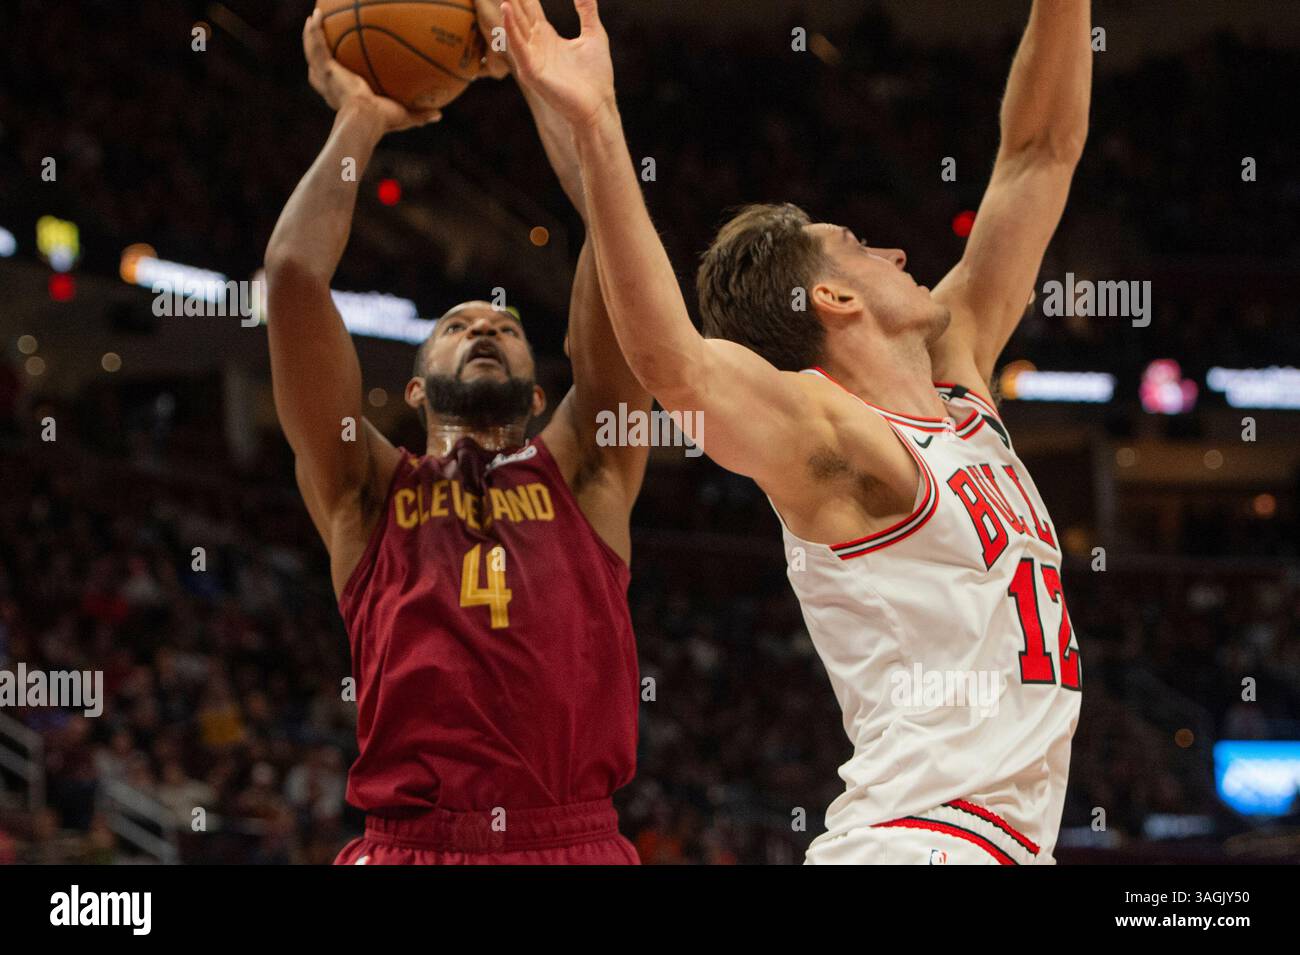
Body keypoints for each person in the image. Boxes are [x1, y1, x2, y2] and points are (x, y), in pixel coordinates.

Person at [504, 0, 1090, 864]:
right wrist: (598, 123)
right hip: (921, 841)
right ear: (834, 299)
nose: (894, 253)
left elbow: (1038, 154)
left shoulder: (958, 374)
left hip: (982, 844)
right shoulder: (833, 434)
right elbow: (676, 364)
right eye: (858, 245)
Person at [262, 9, 651, 864]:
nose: (483, 326)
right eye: (456, 323)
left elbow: (614, 241)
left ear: (544, 390)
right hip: (411, 846)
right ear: (410, 386)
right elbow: (292, 275)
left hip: (570, 841)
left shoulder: (589, 468)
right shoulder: (364, 490)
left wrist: (573, 101)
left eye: (504, 325)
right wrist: (361, 117)